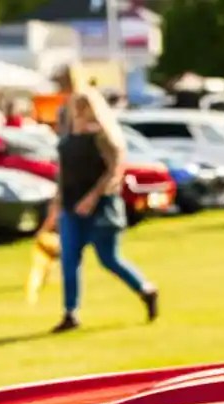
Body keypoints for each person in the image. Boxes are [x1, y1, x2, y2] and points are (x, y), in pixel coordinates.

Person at [38, 88, 158, 333]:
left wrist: (93, 197)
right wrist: (56, 203)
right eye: (77, 107)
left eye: (85, 107)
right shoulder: (68, 138)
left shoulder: (103, 137)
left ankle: (145, 289)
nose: (80, 112)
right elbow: (63, 174)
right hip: (71, 206)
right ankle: (70, 312)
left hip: (101, 207)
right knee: (69, 260)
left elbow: (114, 171)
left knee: (109, 259)